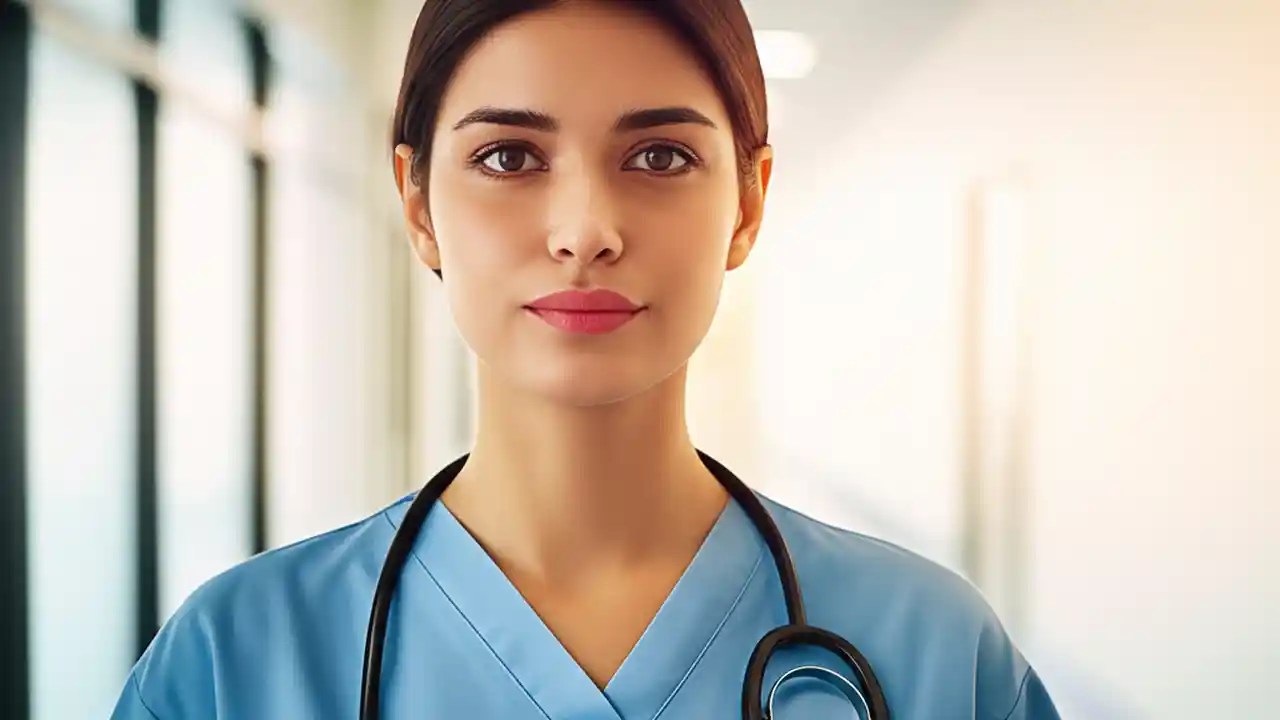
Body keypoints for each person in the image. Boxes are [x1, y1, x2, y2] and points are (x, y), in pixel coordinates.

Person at [111, 1, 1061, 717]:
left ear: (748, 202)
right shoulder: (235, 661)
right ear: (416, 204)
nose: (585, 233)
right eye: (509, 158)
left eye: (658, 158)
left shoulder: (934, 651)